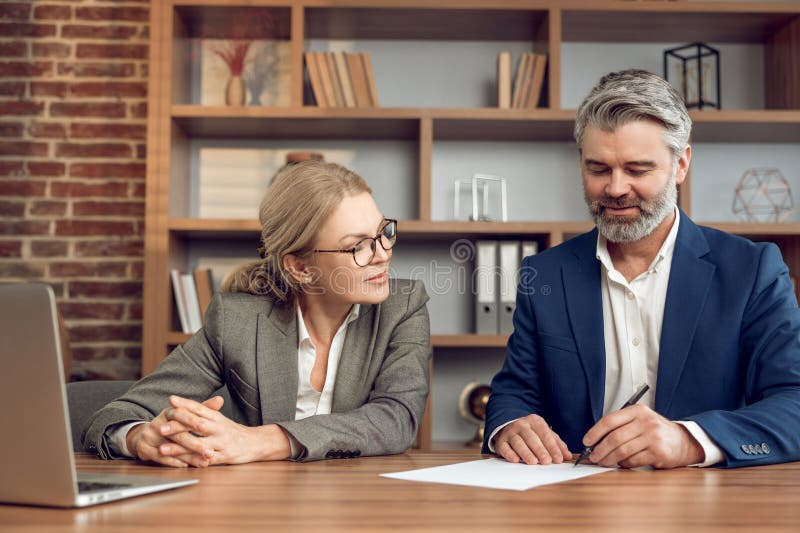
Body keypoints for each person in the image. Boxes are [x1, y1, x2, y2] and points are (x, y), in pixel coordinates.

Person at [483, 69, 800, 469]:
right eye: (598, 169)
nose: (615, 189)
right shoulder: (544, 274)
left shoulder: (752, 270)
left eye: (637, 170)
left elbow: (794, 402)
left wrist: (688, 440)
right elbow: (514, 393)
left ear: (681, 163)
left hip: (709, 506)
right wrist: (510, 425)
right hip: (572, 504)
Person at [83, 161, 431, 466]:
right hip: (259, 504)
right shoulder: (238, 321)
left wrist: (260, 440)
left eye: (384, 232)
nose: (383, 253)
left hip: (367, 506)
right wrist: (140, 437)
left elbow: (395, 419)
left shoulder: (403, 307)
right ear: (300, 267)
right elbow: (115, 416)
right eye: (358, 246)